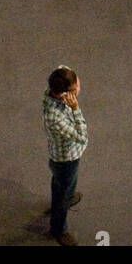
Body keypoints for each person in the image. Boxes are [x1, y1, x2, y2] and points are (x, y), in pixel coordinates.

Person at [42, 66, 88, 246]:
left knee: (61, 184)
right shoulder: (55, 118)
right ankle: (58, 229)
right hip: (66, 159)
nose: (79, 85)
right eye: (76, 86)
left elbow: (62, 67)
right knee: (63, 189)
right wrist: (76, 109)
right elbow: (82, 136)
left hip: (59, 156)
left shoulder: (55, 85)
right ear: (65, 95)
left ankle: (66, 196)